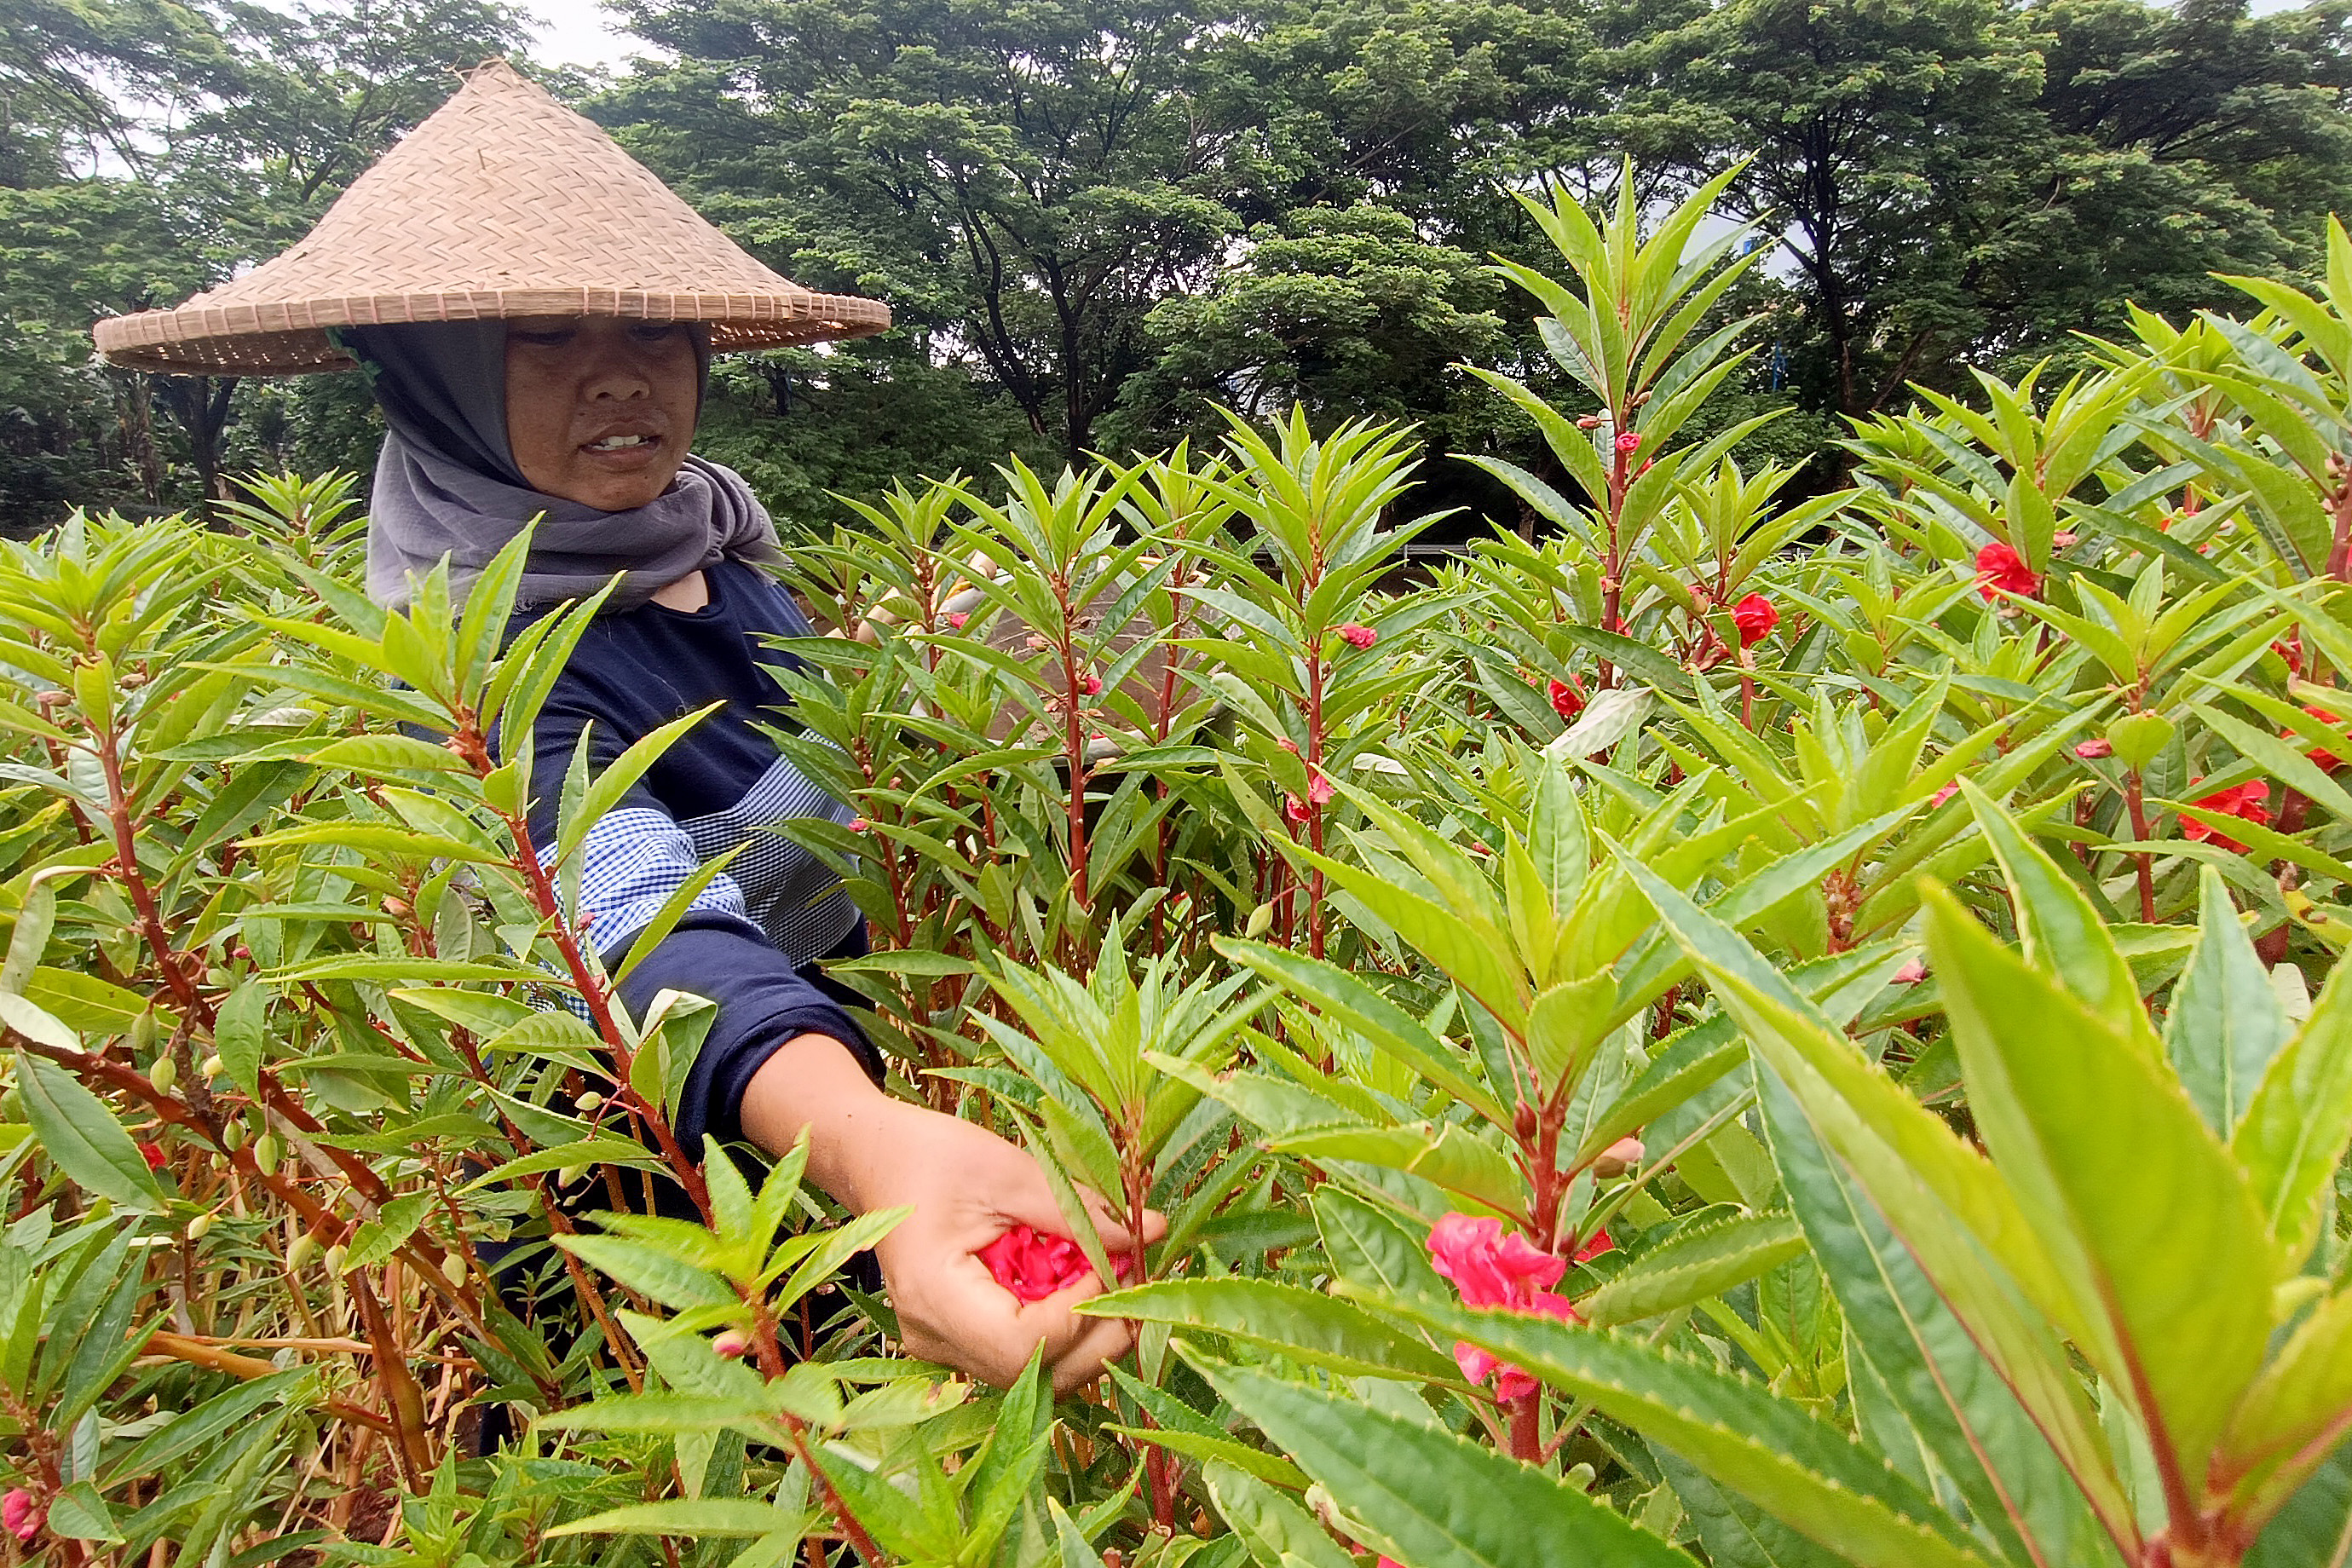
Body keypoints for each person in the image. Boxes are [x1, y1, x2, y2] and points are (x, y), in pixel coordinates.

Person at [94, 61, 1152, 1394]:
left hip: (815, 1121)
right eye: (545, 338)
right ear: (430, 375)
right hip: (635, 1198)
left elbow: (839, 767)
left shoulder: (729, 549)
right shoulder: (474, 668)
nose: (620, 382)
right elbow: (637, 925)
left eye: (653, 334)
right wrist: (876, 1143)